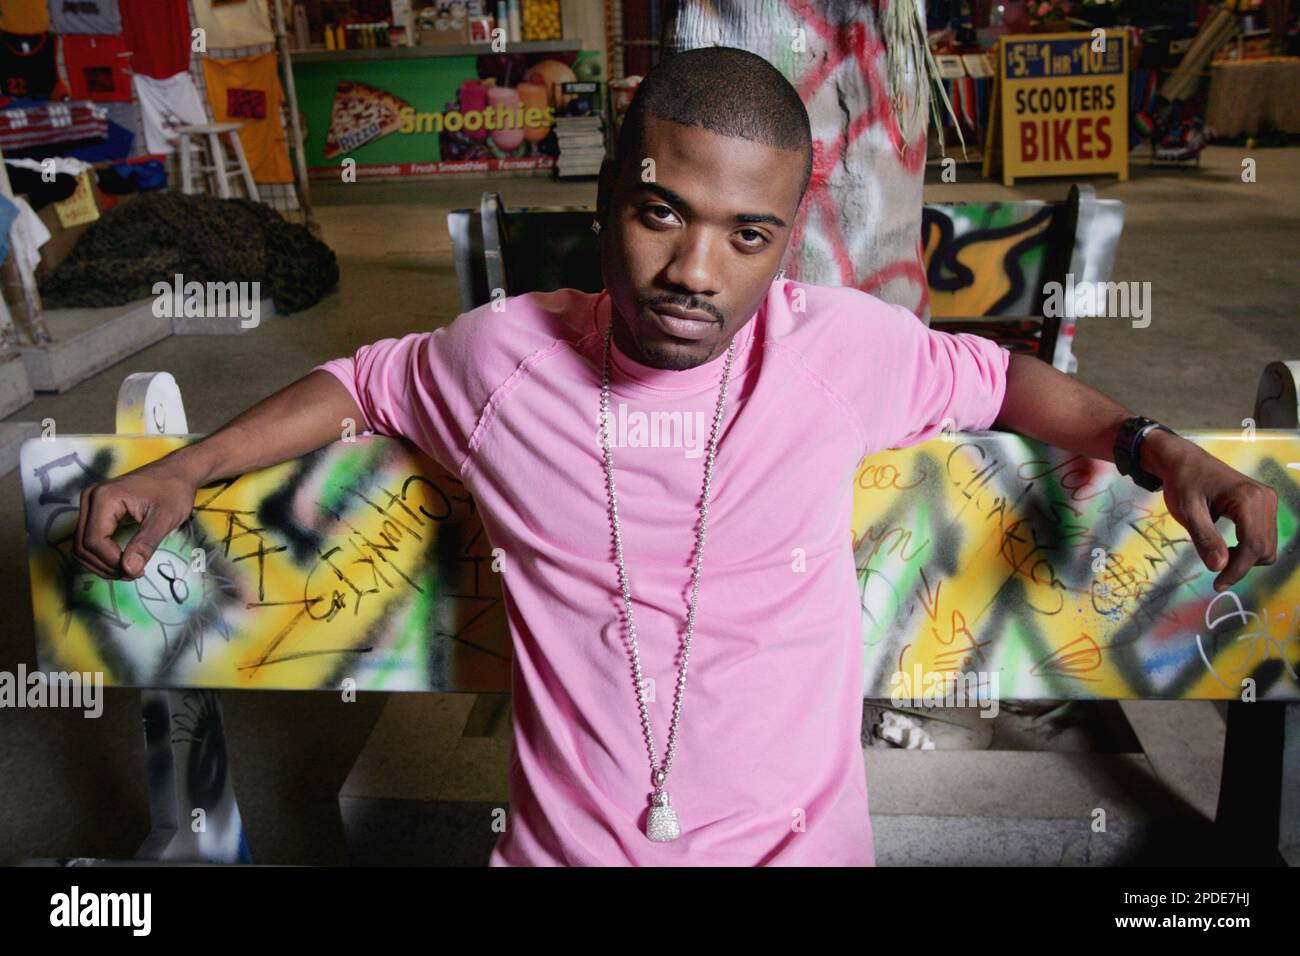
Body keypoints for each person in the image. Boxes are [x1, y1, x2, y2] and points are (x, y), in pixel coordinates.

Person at [73, 47, 1278, 866]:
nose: (697, 272)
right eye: (663, 214)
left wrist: (1150, 443)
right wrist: (187, 465)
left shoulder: (842, 353)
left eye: (746, 235)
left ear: (784, 239)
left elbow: (1000, 374)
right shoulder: (501, 359)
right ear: (607, 199)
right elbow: (363, 381)